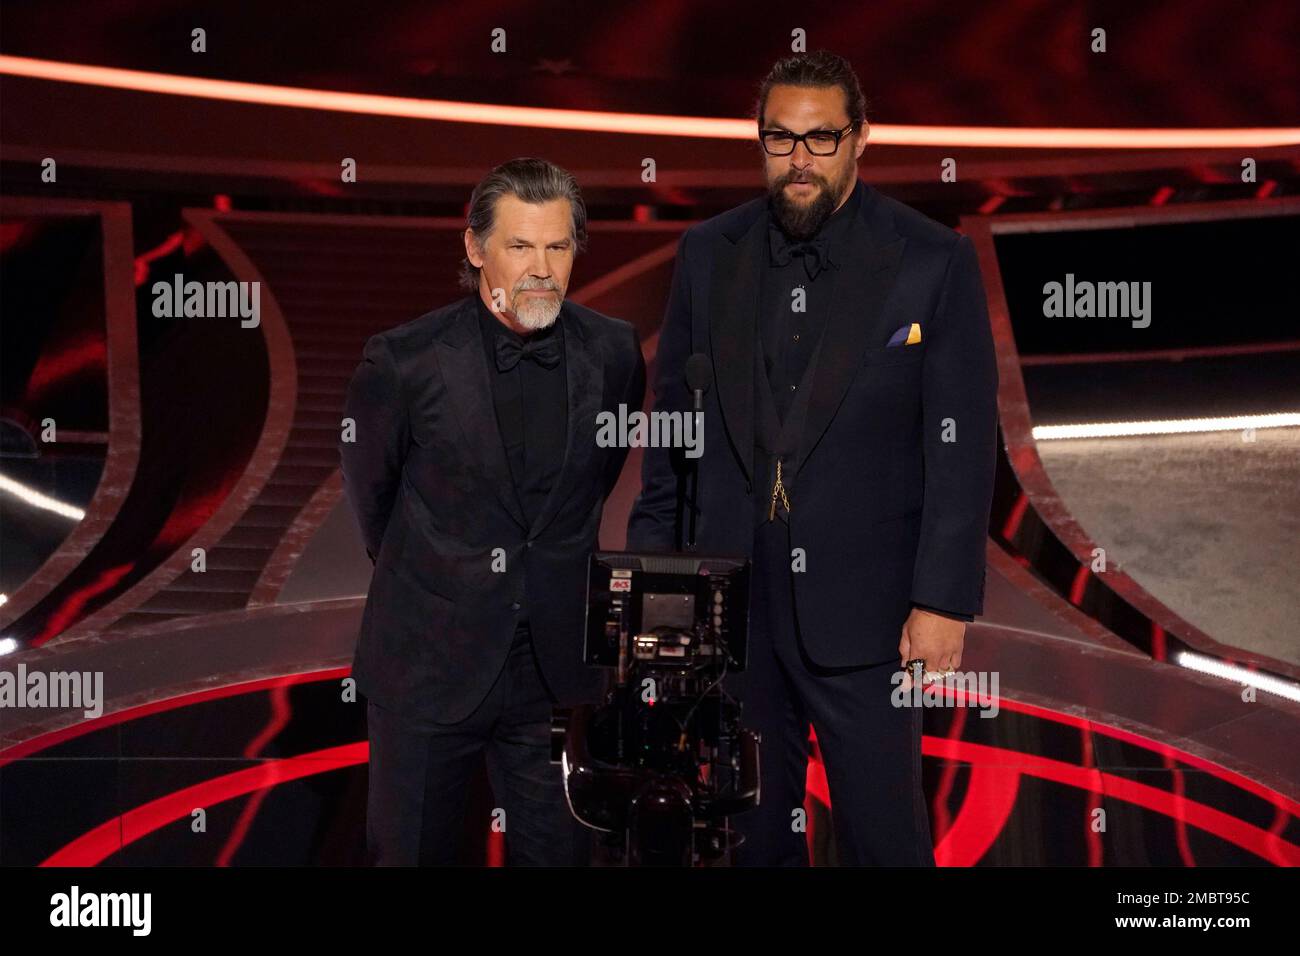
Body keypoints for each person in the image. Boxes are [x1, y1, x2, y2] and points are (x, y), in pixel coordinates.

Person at [627, 51, 998, 865]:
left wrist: (944, 601)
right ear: (758, 142)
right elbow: (671, 437)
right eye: (780, 139)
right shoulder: (708, 253)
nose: (799, 159)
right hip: (735, 606)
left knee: (884, 835)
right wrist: (661, 591)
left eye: (820, 138)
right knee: (750, 832)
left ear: (860, 140)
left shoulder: (930, 260)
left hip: (873, 611)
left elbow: (965, 446)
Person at [341, 157, 645, 865]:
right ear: (476, 248)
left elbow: (593, 484)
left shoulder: (614, 352)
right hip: (427, 664)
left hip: (557, 673)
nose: (541, 267)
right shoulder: (402, 363)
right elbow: (374, 504)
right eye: (520, 245)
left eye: (558, 246)